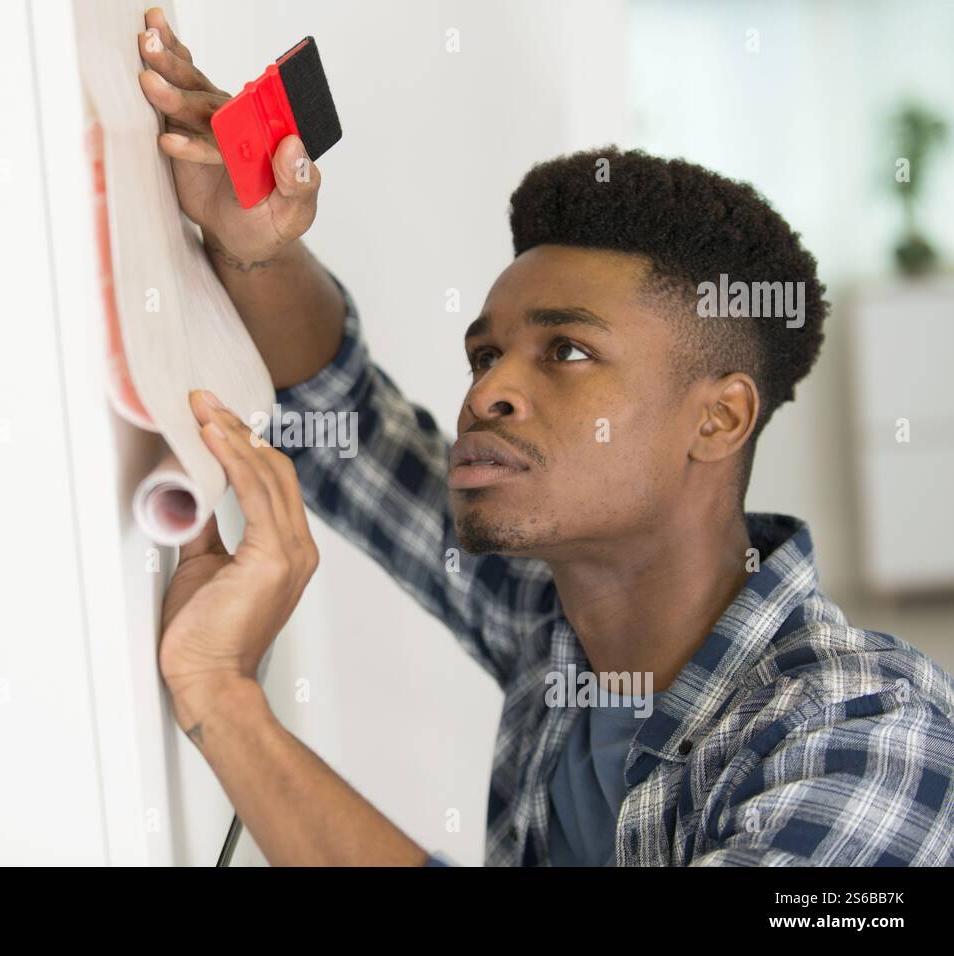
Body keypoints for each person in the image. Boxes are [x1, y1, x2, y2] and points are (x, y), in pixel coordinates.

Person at [136, 7, 954, 866]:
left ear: (719, 419)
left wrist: (224, 700)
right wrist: (252, 247)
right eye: (484, 354)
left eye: (566, 351)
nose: (489, 391)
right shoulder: (556, 618)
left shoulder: (869, 736)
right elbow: (347, 422)